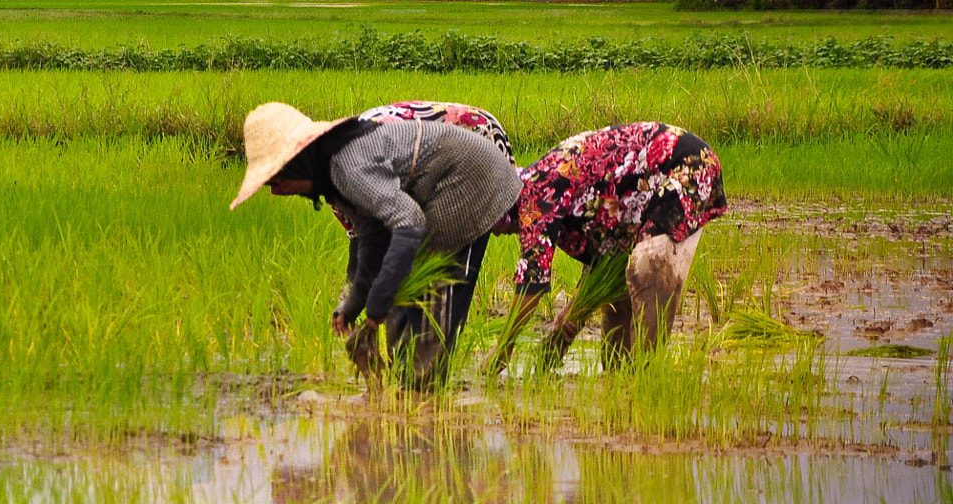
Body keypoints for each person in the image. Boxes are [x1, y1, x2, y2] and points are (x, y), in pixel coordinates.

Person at [231, 101, 521, 388]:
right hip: (441, 180)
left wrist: (375, 310)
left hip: (471, 177)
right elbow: (370, 241)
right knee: (399, 280)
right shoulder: (334, 177)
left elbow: (409, 222)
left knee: (433, 284)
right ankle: (407, 386)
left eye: (277, 183)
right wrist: (354, 305)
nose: (278, 193)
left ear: (296, 166)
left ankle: (424, 394)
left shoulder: (350, 168)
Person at [488, 122, 727, 372]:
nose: (494, 234)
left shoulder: (537, 195)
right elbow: (603, 265)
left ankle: (645, 377)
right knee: (615, 293)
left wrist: (504, 345)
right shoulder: (539, 189)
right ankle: (618, 379)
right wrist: (567, 325)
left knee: (648, 270)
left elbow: (531, 280)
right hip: (649, 185)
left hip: (684, 164)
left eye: (489, 224)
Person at [337, 101, 515, 364]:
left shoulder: (354, 167)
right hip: (422, 170)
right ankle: (404, 369)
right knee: (403, 270)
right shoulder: (339, 183)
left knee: (440, 275)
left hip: (476, 144)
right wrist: (350, 307)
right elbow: (364, 248)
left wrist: (367, 314)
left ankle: (423, 377)